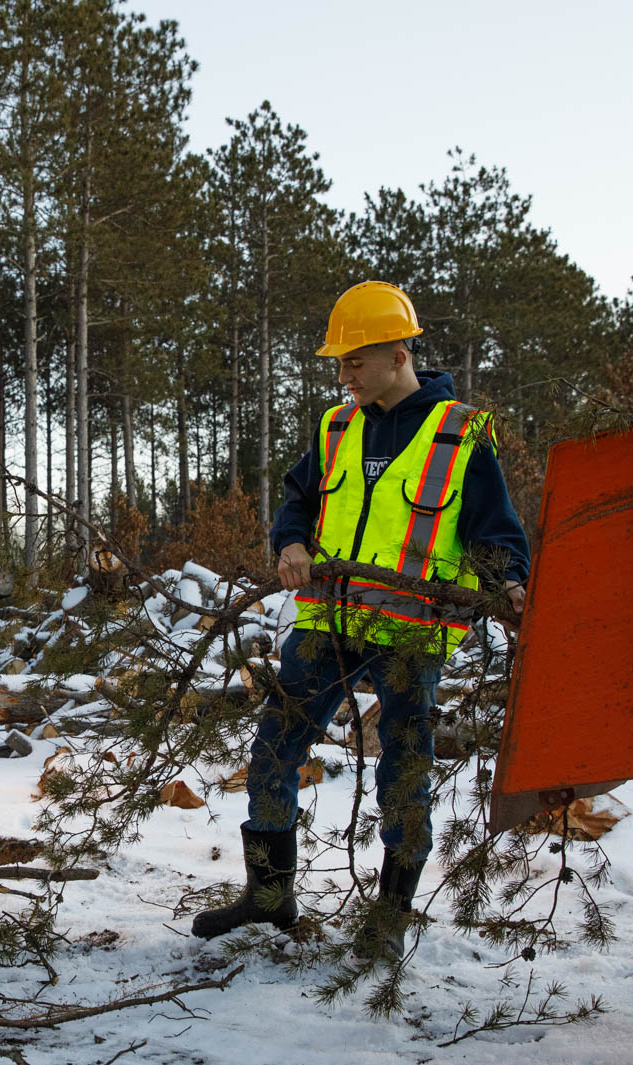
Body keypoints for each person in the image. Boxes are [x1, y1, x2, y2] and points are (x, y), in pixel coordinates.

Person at [192, 282, 531, 944]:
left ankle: (390, 914)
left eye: (355, 361)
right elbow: (298, 501)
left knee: (403, 774)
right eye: (341, 364)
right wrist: (290, 542)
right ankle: (268, 897)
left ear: (398, 353)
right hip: (326, 623)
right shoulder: (337, 425)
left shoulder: (462, 433)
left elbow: (499, 536)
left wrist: (510, 587)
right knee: (271, 754)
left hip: (411, 634)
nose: (344, 376)